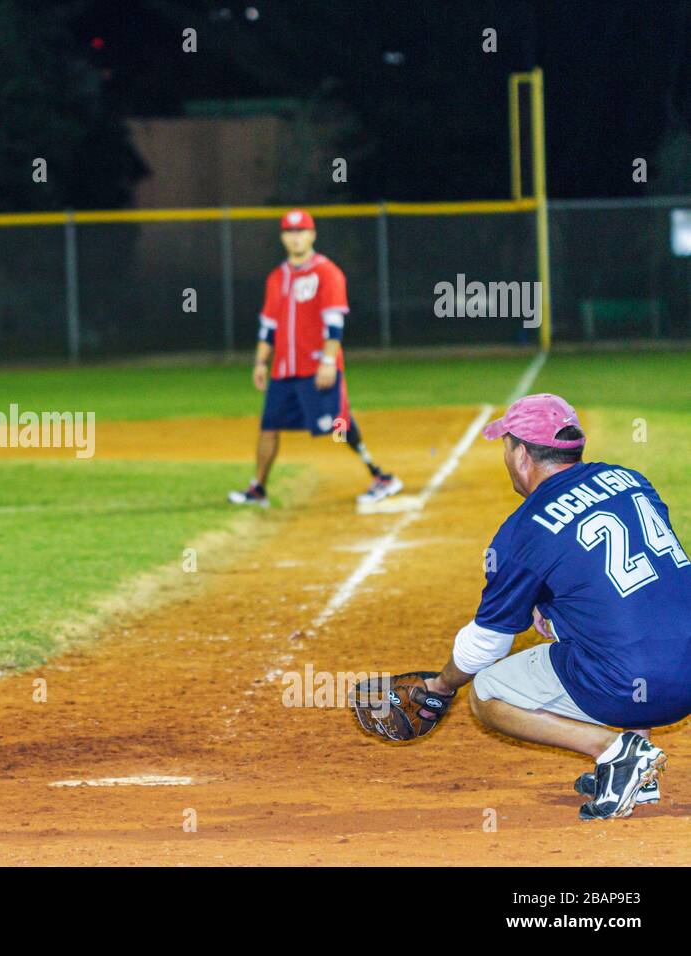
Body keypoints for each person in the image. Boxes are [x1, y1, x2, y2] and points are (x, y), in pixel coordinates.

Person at [421, 393, 691, 820]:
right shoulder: (630, 479)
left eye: (507, 446)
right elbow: (634, 589)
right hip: (684, 674)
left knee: (488, 692)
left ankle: (616, 752)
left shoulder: (522, 532)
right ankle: (641, 775)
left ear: (523, 455)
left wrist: (441, 685)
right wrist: (552, 605)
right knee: (626, 624)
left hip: (638, 683)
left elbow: (485, 647)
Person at [228, 209, 402, 508]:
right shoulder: (276, 278)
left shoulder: (327, 272)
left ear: (312, 234)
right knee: (268, 427)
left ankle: (380, 476)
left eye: (301, 231)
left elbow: (334, 323)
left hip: (316, 366)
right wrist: (260, 362)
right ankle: (258, 489)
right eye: (289, 232)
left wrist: (327, 361)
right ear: (283, 237)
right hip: (283, 370)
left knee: (337, 424)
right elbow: (268, 326)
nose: (295, 237)